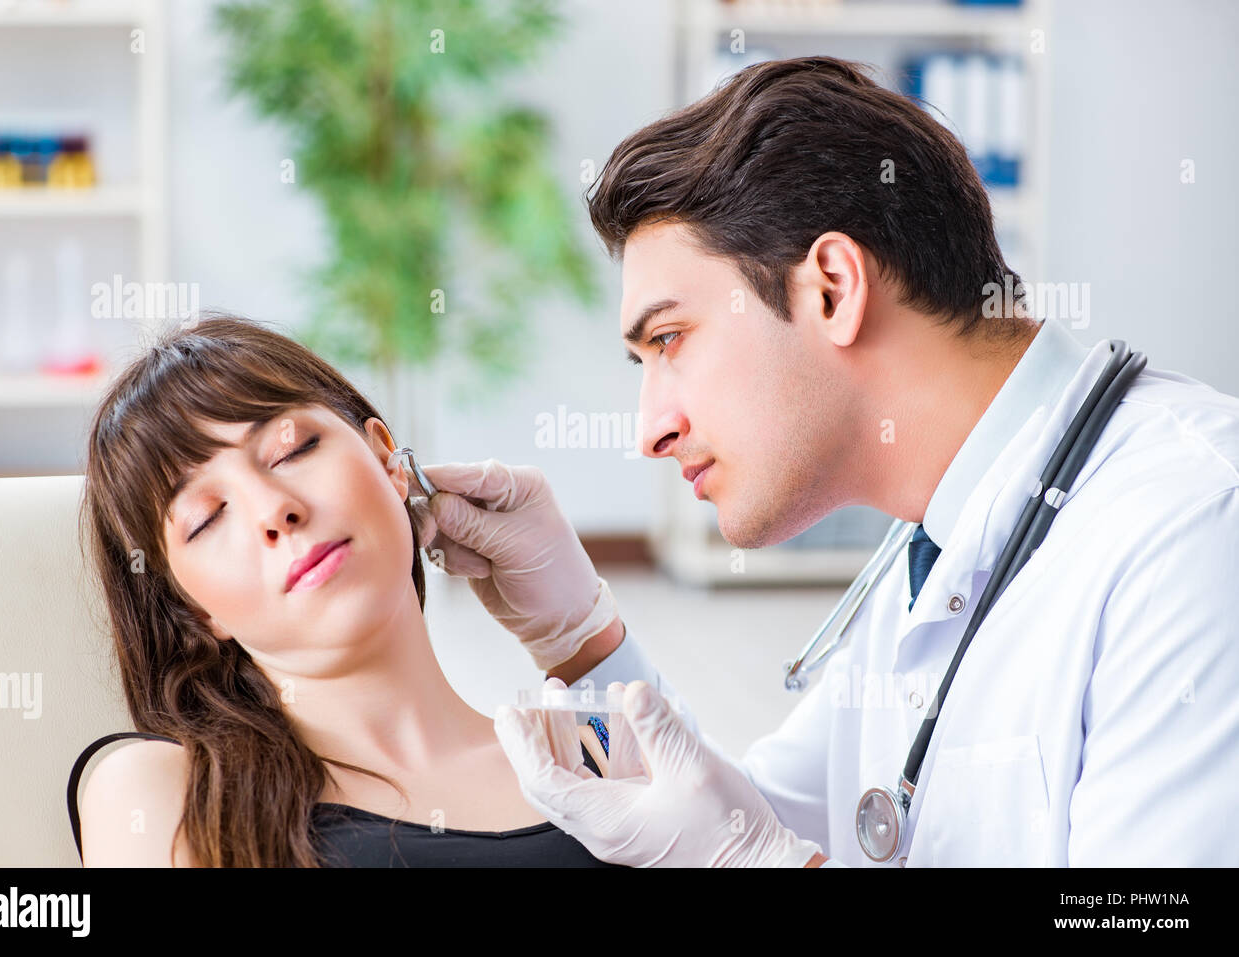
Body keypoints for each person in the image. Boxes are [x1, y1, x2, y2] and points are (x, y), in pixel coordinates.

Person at [417, 57, 1239, 867]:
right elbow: (753, 820)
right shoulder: (928, 548)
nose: (650, 431)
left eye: (670, 340)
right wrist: (579, 633)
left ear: (833, 290)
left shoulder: (1194, 529)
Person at [68, 315, 620, 867]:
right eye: (207, 518)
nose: (273, 509)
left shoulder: (588, 755)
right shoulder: (168, 796)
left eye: (293, 450)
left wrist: (588, 642)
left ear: (386, 458)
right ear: (194, 607)